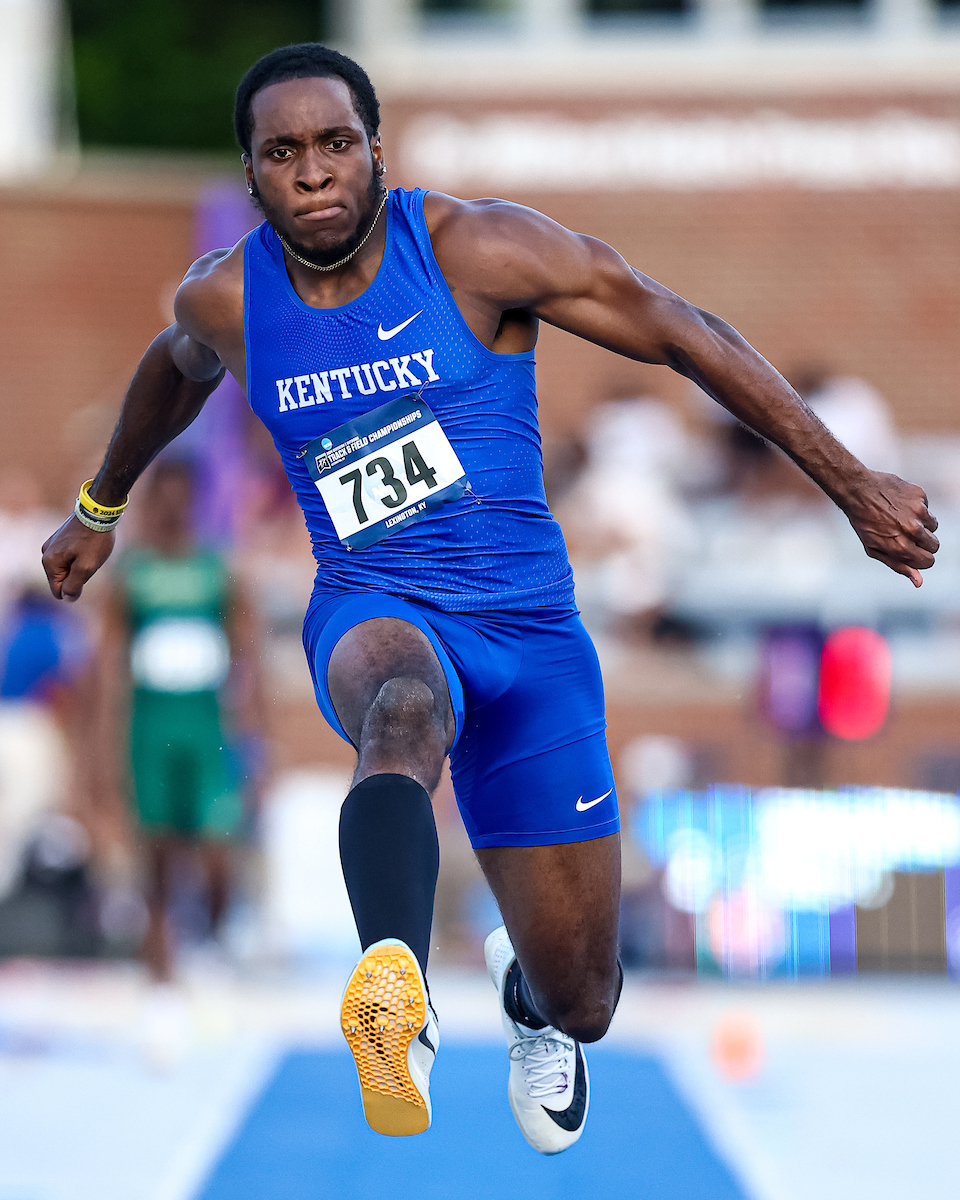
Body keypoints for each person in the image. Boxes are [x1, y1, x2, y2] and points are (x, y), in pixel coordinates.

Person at [41, 44, 938, 1152]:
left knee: (587, 997)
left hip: (531, 640)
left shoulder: (477, 250)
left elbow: (678, 329)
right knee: (401, 712)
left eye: (335, 145)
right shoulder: (230, 295)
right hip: (375, 603)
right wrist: (98, 504)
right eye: (283, 154)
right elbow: (174, 366)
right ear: (253, 172)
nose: (313, 173)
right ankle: (395, 994)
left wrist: (850, 484)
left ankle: (527, 999)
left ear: (378, 151)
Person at [98, 457, 261, 982]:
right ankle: (158, 957)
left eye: (180, 495)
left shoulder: (218, 569)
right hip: (152, 719)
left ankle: (212, 942)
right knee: (158, 846)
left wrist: (258, 737)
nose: (171, 506)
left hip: (206, 718)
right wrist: (100, 743)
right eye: (161, 496)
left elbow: (246, 657)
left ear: (193, 500)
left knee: (217, 845)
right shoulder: (133, 573)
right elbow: (108, 665)